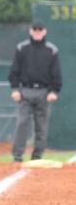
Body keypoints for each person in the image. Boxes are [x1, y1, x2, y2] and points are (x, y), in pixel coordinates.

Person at [8, 21, 62, 163]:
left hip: (44, 93)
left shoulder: (52, 50)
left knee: (41, 127)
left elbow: (56, 73)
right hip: (25, 91)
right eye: (35, 29)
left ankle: (37, 156)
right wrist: (15, 89)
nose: (37, 32)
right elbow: (14, 71)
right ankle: (17, 156)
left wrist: (54, 91)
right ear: (30, 31)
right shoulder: (22, 48)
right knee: (22, 124)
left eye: (40, 29)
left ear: (45, 31)